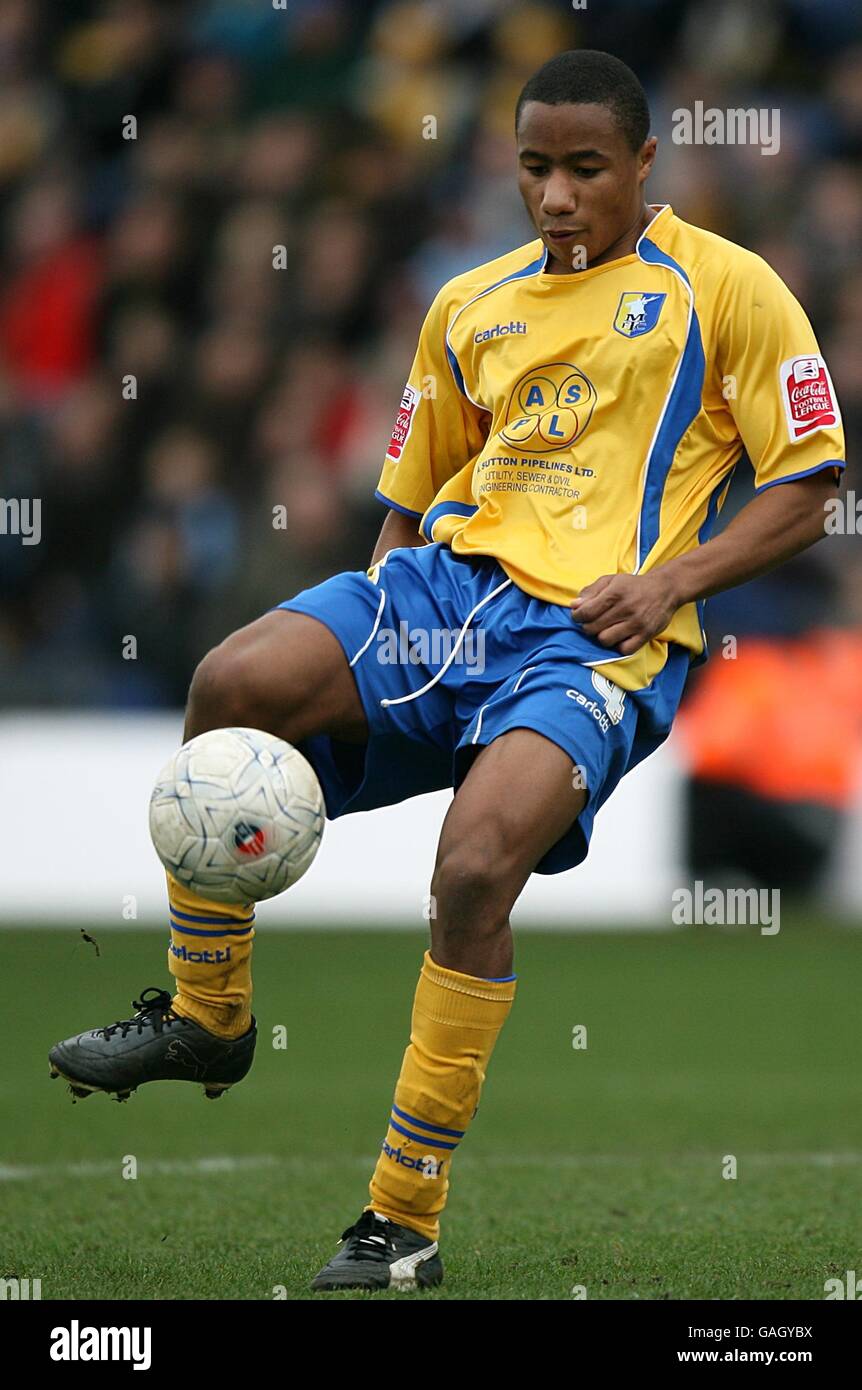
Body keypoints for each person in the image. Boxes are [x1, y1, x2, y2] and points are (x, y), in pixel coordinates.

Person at [48, 50, 845, 1292]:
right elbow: (409, 505)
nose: (559, 196)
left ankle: (398, 1222)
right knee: (229, 688)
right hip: (444, 597)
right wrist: (376, 635)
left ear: (643, 163)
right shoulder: (468, 301)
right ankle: (208, 1017)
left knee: (472, 871)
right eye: (535, 168)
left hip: (596, 635)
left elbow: (810, 484)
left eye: (587, 168)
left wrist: (673, 582)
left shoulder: (729, 290)